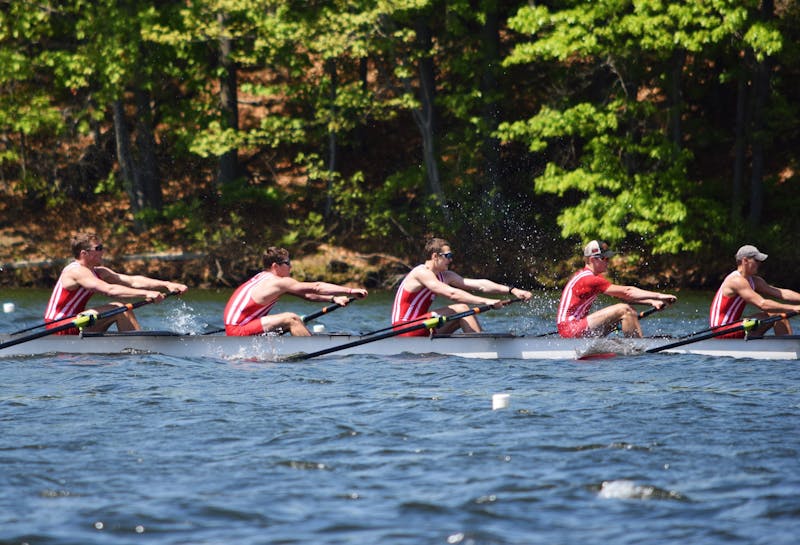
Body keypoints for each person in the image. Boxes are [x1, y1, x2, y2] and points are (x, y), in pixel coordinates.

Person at [44, 232, 188, 334]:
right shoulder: (76, 271)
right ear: (84, 253)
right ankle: (140, 346)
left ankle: (135, 343)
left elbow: (132, 281)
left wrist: (167, 284)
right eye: (98, 249)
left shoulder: (98, 271)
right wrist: (147, 293)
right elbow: (110, 290)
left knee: (120, 308)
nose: (103, 251)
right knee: (119, 308)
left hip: (78, 322)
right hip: (59, 325)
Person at [390, 237, 532, 336]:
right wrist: (487, 301)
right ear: (435, 256)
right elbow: (452, 294)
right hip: (403, 327)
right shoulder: (421, 273)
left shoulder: (445, 275)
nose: (451, 260)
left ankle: (477, 343)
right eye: (448, 255)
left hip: (422, 326)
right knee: (462, 308)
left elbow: (480, 285)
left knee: (462, 316)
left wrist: (513, 290)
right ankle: (482, 347)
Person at [224, 246, 368, 336]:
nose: (290, 267)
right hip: (238, 329)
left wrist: (333, 299)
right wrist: (350, 291)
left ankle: (304, 339)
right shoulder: (277, 282)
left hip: (237, 326)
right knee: (291, 318)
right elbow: (316, 287)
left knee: (292, 320)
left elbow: (307, 294)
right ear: (275, 266)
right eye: (287, 263)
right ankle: (311, 348)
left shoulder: (262, 277)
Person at [557, 240, 676, 338]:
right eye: (605, 259)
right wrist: (660, 296)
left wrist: (651, 302)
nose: (608, 262)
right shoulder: (589, 279)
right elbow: (627, 292)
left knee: (625, 314)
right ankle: (637, 348)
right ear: (593, 259)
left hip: (574, 327)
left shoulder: (591, 276)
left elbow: (620, 295)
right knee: (625, 310)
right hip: (571, 329)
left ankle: (633, 344)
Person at [709, 244, 800, 338]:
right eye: (756, 261)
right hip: (721, 330)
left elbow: (781, 293)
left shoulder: (754, 281)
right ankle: (787, 347)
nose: (759, 264)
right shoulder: (736, 281)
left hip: (735, 326)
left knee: (777, 315)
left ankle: (780, 345)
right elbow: (763, 304)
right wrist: (794, 308)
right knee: (777, 314)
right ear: (745, 261)